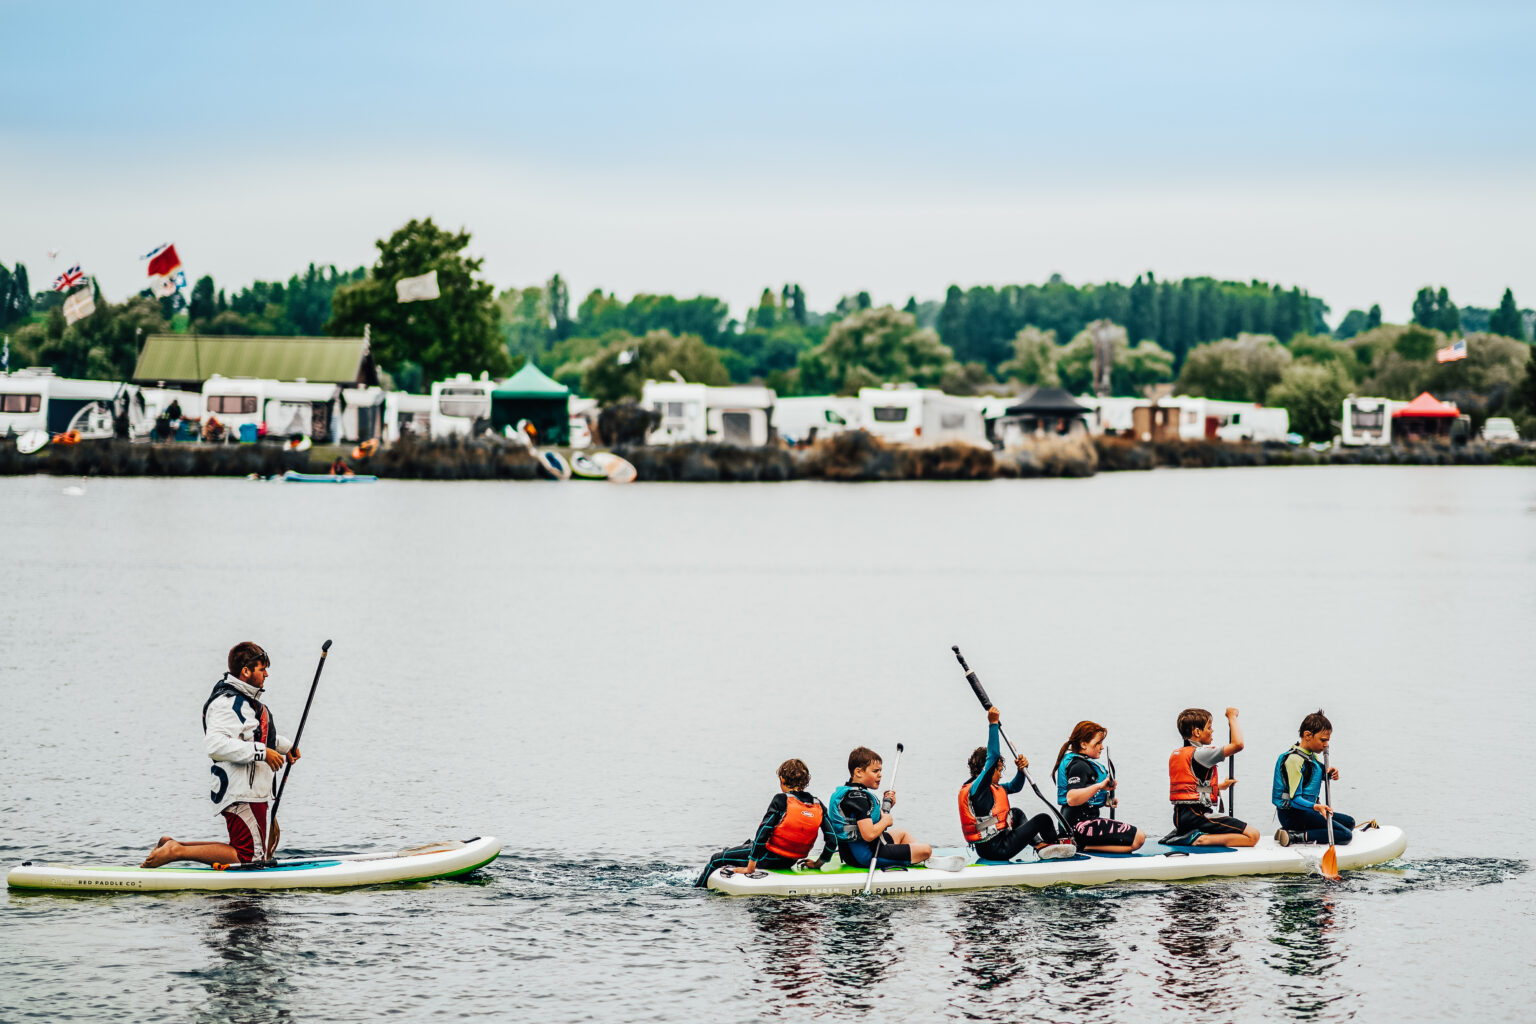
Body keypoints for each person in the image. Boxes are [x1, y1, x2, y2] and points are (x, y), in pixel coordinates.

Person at [141, 642, 299, 868]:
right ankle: (176, 852)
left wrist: (285, 747)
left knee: (253, 855)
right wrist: (263, 753)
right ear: (246, 671)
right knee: (250, 860)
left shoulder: (246, 701)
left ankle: (173, 844)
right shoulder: (226, 703)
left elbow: (253, 736)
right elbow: (215, 745)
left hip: (253, 791)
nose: (267, 674)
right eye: (262, 669)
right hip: (240, 791)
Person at [694, 758, 838, 887]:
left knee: (716, 858)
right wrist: (818, 864)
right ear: (806, 781)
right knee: (747, 844)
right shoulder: (818, 805)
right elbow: (832, 840)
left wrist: (750, 867)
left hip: (767, 858)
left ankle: (697, 892)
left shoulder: (781, 800)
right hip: (790, 861)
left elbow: (763, 833)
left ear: (782, 779)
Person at [962, 707, 1076, 861]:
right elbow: (993, 755)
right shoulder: (979, 789)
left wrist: (1021, 770)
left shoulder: (985, 788)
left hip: (989, 848)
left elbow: (1015, 786)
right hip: (998, 849)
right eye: (999, 770)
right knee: (1043, 819)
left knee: (1015, 813)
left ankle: (1040, 846)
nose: (1000, 774)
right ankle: (1056, 846)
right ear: (987, 770)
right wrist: (993, 723)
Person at [828, 747, 963, 872]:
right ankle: (922, 858)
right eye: (875, 771)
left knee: (901, 834)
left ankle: (919, 858)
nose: (880, 775)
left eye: (880, 771)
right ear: (858, 772)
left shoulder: (851, 794)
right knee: (926, 849)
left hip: (852, 853)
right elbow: (868, 834)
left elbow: (866, 820)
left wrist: (888, 805)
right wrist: (886, 821)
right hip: (864, 856)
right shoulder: (858, 798)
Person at [1166, 707, 1259, 847]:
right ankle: (1200, 839)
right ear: (1197, 732)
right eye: (1209, 727)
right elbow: (1238, 745)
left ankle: (1191, 834)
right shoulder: (1201, 753)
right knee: (1253, 836)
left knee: (1237, 832)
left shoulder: (1178, 753)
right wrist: (1232, 717)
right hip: (1197, 816)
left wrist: (1220, 786)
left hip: (1181, 817)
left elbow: (1192, 788)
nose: (1212, 730)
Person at [1272, 709, 1366, 846]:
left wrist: (1330, 774)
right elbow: (1295, 800)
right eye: (1323, 740)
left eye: (1327, 741)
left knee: (1349, 822)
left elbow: (1314, 776)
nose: (1326, 744)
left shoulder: (1310, 756)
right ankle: (1295, 836)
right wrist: (1316, 807)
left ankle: (1292, 831)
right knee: (1345, 835)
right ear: (1308, 735)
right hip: (1292, 815)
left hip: (1307, 811)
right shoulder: (1294, 760)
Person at [1053, 720, 1146, 852]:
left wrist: (1105, 800)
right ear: (1083, 744)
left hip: (1075, 826)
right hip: (1079, 826)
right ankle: (1079, 846)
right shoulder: (1079, 766)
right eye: (1098, 743)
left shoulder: (1081, 763)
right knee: (1139, 838)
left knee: (1135, 842)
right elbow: (1072, 799)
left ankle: (1082, 846)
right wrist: (1099, 787)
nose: (1101, 747)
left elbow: (1085, 796)